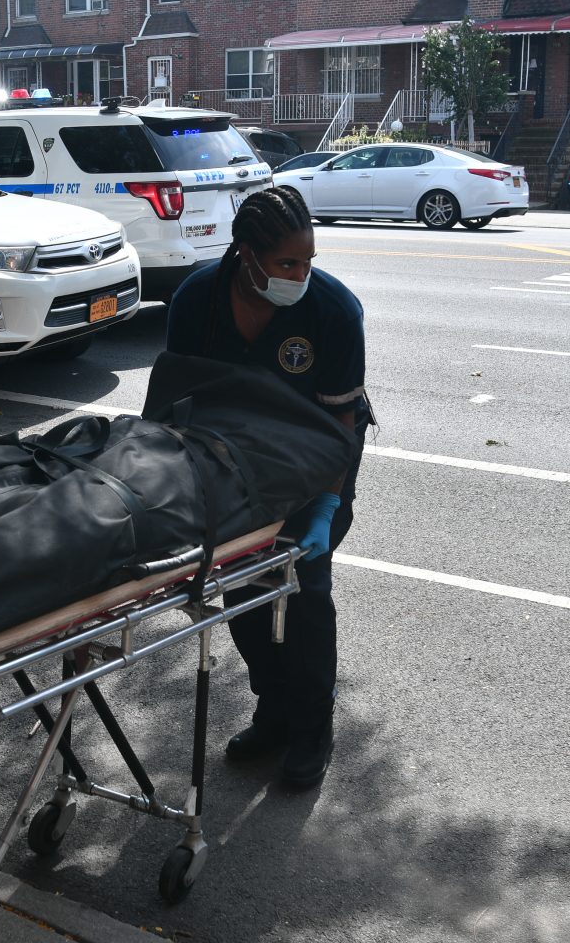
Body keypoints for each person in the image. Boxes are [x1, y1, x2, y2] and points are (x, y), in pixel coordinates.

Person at [166, 185, 370, 790]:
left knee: (304, 593)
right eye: (287, 263)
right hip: (233, 462)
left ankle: (312, 726)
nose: (300, 275)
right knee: (243, 588)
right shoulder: (197, 300)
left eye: (308, 261)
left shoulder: (333, 311)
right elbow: (180, 403)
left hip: (318, 459)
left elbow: (341, 422)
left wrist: (326, 505)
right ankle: (274, 709)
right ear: (246, 255)